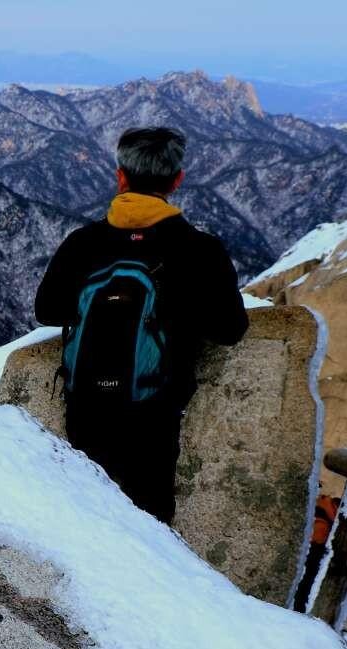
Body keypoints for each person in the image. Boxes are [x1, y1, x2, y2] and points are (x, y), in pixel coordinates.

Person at [34, 126, 247, 523]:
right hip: (154, 412)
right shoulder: (200, 250)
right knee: (147, 524)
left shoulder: (83, 243)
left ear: (120, 177)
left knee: (84, 514)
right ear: (176, 180)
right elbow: (230, 329)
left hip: (87, 406)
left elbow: (47, 310)